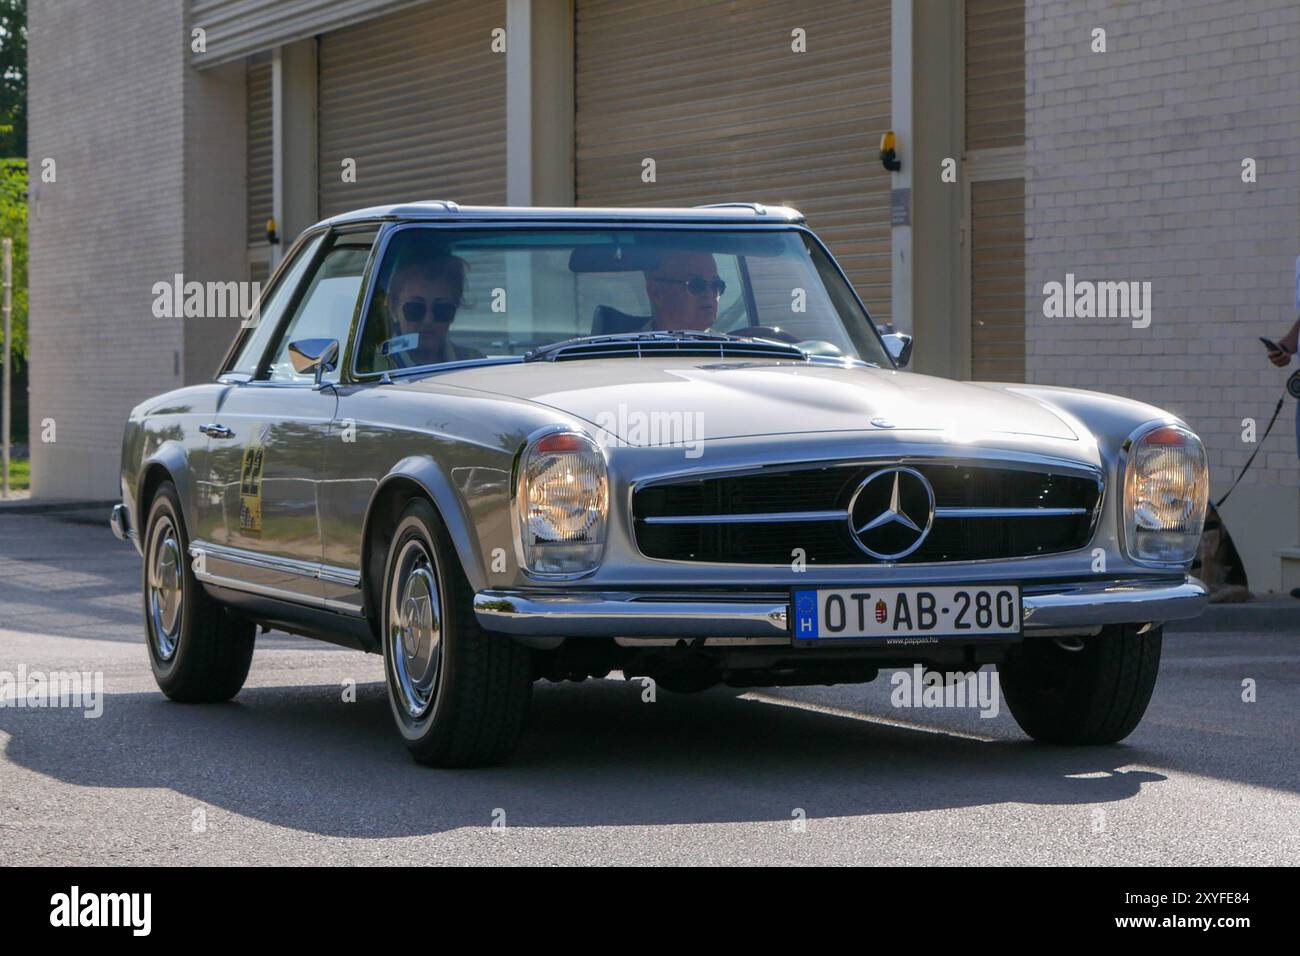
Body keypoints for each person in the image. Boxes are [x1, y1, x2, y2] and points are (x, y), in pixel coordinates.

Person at [379, 255, 483, 368]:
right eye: (416, 308)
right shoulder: (374, 366)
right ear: (393, 307)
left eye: (442, 309)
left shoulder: (474, 364)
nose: (428, 320)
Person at [642, 250, 726, 332]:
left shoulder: (732, 344)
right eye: (697, 285)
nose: (709, 293)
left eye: (716, 285)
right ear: (656, 293)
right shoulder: (631, 345)